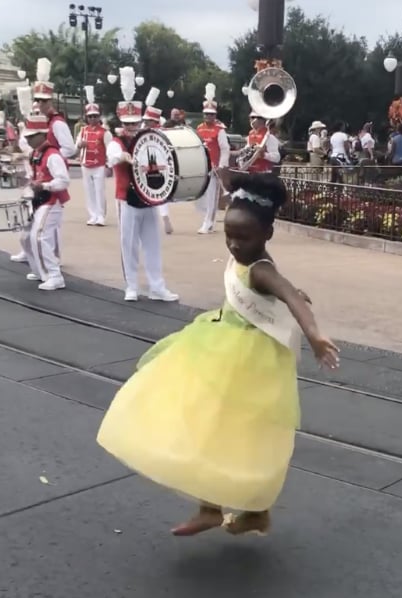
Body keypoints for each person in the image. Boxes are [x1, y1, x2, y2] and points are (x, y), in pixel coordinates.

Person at [96, 171, 340, 537]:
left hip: (244, 358)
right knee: (219, 429)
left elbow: (289, 295)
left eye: (244, 237)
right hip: (220, 341)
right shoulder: (247, 260)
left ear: (266, 235)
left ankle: (230, 509)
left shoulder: (261, 270)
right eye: (229, 236)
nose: (235, 245)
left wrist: (316, 335)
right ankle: (235, 509)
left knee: (229, 432)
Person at [107, 73, 175, 303]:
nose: (132, 128)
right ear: (121, 125)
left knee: (153, 244)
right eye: (128, 124)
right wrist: (123, 156)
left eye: (135, 123)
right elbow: (113, 157)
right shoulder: (116, 142)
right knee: (129, 244)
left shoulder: (148, 139)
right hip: (126, 199)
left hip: (148, 198)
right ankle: (131, 286)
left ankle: (157, 287)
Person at [18, 109, 70, 291]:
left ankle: (55, 275)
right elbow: (35, 177)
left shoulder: (53, 155)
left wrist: (45, 186)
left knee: (39, 236)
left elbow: (63, 180)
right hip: (39, 200)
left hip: (52, 200)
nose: (29, 140)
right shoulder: (35, 154)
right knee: (26, 237)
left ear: (42, 135)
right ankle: (41, 271)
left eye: (32, 136)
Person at [195, 85, 231, 234]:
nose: (209, 116)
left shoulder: (219, 130)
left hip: (214, 167)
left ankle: (208, 223)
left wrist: (222, 165)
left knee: (211, 197)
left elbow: (225, 148)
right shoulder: (199, 128)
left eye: (211, 114)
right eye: (206, 114)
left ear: (215, 115)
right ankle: (208, 221)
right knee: (202, 196)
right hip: (203, 166)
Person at [75, 87, 111, 226]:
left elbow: (110, 149)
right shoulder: (83, 130)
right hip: (85, 164)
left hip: (99, 164)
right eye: (90, 116)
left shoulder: (105, 132)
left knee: (99, 191)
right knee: (88, 191)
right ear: (87, 117)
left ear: (99, 117)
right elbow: (76, 144)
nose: (93, 118)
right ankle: (92, 215)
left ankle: (101, 215)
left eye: (95, 116)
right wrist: (80, 144)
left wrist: (109, 166)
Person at [141, 87, 175, 234]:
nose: (146, 123)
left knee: (160, 190)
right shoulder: (143, 130)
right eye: (145, 121)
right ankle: (152, 219)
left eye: (148, 121)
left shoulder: (162, 131)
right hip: (146, 164)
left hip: (160, 165)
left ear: (154, 121)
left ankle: (165, 217)